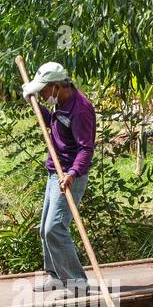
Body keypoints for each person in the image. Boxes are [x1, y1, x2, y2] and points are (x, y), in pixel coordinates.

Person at [21, 62, 96, 292]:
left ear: (56, 86)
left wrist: (72, 173)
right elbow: (53, 124)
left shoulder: (80, 110)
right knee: (44, 228)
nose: (43, 95)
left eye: (44, 91)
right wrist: (32, 102)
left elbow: (86, 149)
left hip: (71, 174)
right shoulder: (60, 102)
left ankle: (77, 283)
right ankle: (54, 276)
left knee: (55, 227)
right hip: (55, 171)